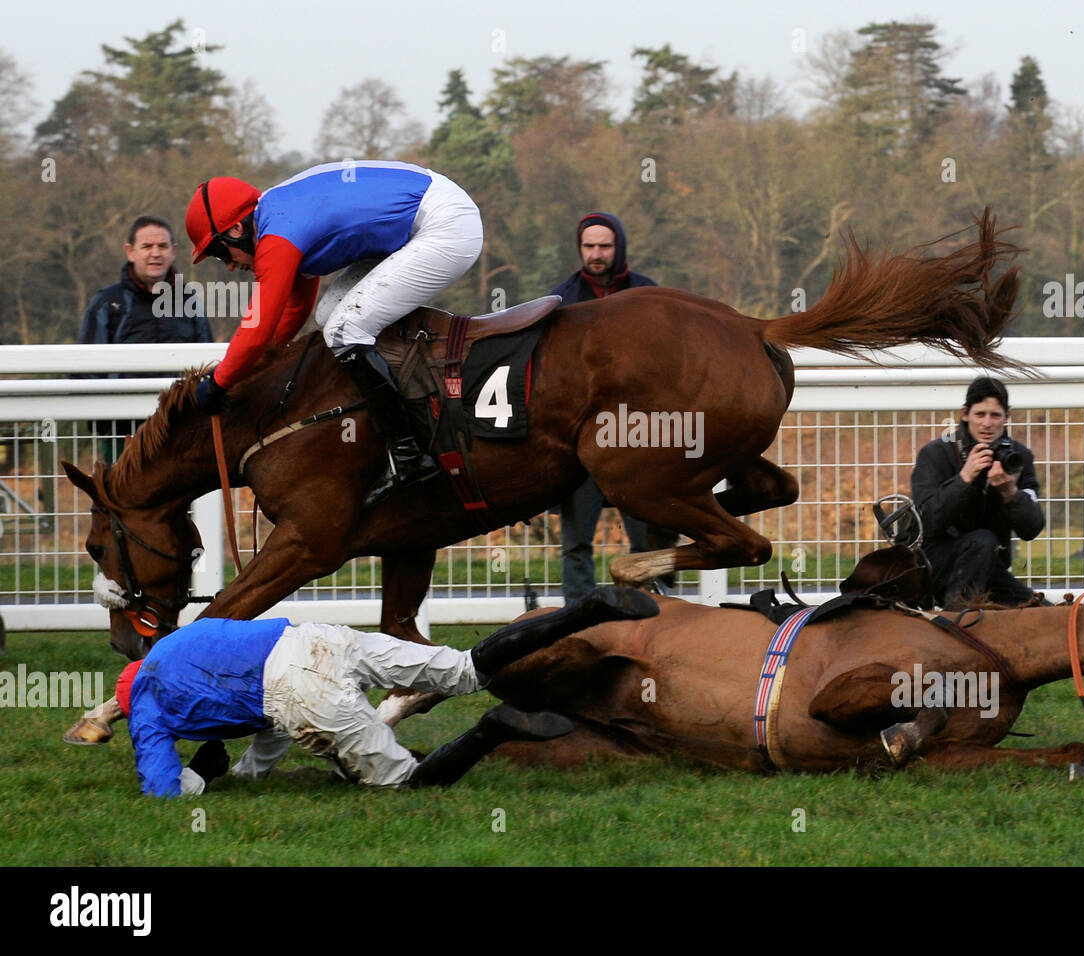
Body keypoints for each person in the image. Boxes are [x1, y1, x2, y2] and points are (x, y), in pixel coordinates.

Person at [115, 587, 658, 797]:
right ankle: (582, 611)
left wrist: (202, 776)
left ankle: (493, 730)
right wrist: (243, 775)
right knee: (467, 669)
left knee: (405, 784)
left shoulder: (144, 705)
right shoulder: (182, 640)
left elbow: (163, 789)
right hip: (317, 639)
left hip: (293, 690)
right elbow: (268, 739)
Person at [183, 161, 483, 506]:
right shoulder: (277, 216)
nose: (231, 265)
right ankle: (399, 414)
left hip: (445, 226)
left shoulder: (277, 236)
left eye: (220, 253)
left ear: (237, 229)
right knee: (331, 318)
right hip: (426, 213)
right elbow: (297, 308)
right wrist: (263, 366)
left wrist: (220, 382)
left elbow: (257, 325)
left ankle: (409, 452)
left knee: (346, 328)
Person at [550, 212, 676, 604]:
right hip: (580, 442)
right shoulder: (561, 300)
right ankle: (580, 622)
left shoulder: (647, 295)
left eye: (604, 246)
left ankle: (656, 616)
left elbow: (668, 364)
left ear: (618, 247)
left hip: (636, 442)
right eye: (589, 246)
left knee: (646, 542)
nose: (596, 254)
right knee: (575, 544)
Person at [77, 216, 213, 461]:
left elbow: (207, 361)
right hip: (123, 431)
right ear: (130, 252)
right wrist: (103, 422)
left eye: (162, 246)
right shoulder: (107, 303)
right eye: (147, 247)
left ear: (173, 252)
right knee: (123, 498)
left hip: (180, 427)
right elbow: (85, 368)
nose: (155, 253)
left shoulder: (189, 301)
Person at [910, 376, 1045, 609]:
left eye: (995, 416)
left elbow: (1031, 529)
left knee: (1039, 612)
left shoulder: (1018, 457)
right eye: (980, 414)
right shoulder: (936, 453)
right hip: (934, 567)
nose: (987, 424)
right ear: (965, 414)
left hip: (987, 566)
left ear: (1007, 417)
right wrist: (965, 478)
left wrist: (1010, 491)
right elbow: (927, 522)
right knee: (983, 540)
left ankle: (965, 616)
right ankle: (955, 619)